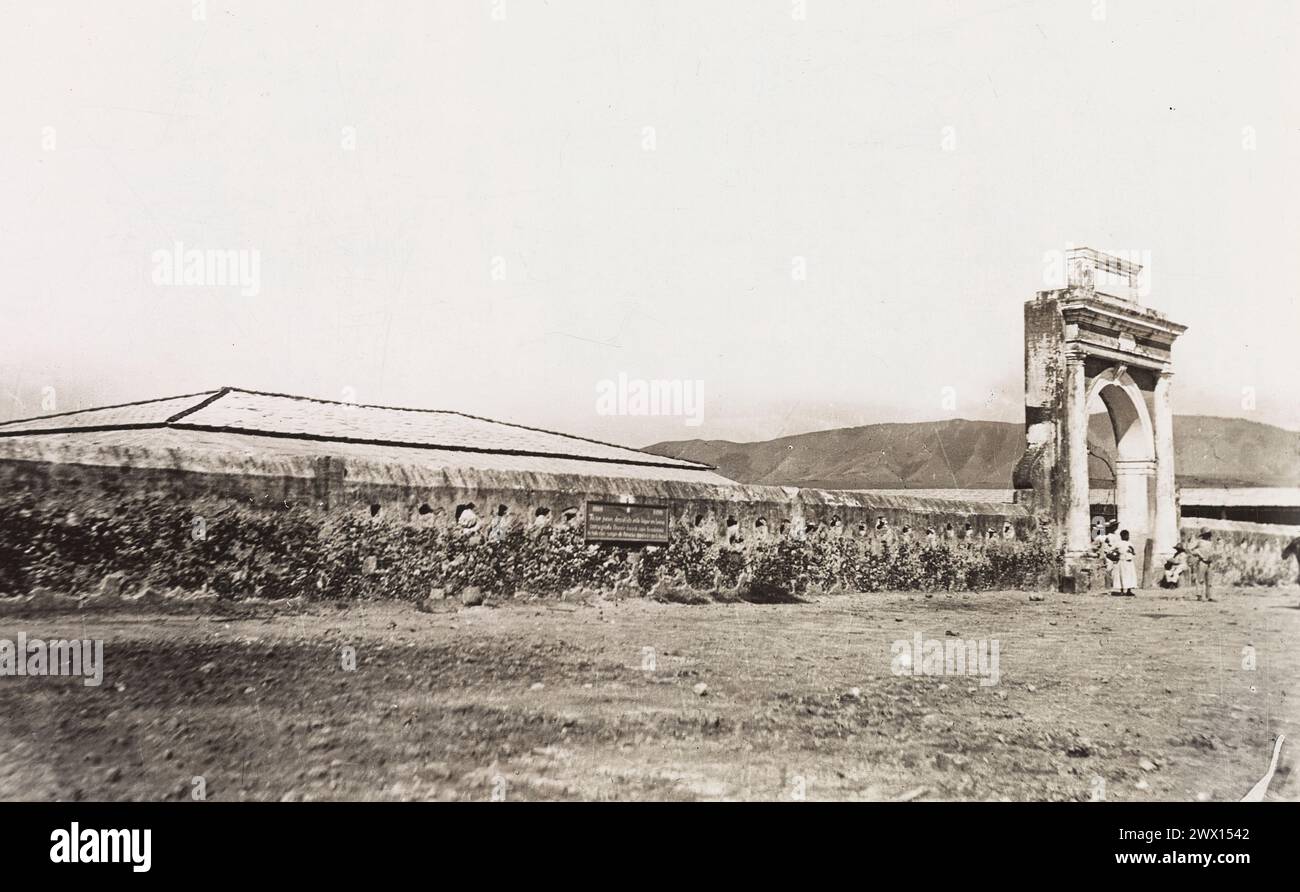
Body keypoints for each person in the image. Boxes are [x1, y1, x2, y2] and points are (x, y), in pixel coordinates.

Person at [1186, 528, 1216, 602]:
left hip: (1210, 563)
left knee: (1210, 581)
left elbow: (1213, 552)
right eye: (1206, 534)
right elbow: (1189, 548)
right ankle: (1199, 596)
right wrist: (1196, 552)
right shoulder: (1199, 542)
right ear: (1203, 535)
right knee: (1200, 580)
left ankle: (1209, 596)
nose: (1208, 536)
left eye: (1208, 534)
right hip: (1202, 562)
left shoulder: (1211, 543)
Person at [1109, 529, 1138, 596]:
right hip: (1122, 562)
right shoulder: (1118, 543)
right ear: (1122, 536)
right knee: (1122, 576)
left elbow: (1133, 553)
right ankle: (1122, 590)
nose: (1128, 537)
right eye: (1126, 535)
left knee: (1130, 576)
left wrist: (1132, 551)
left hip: (1129, 562)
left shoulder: (1130, 543)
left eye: (1128, 535)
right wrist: (1115, 554)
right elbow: (1110, 550)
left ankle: (1129, 590)